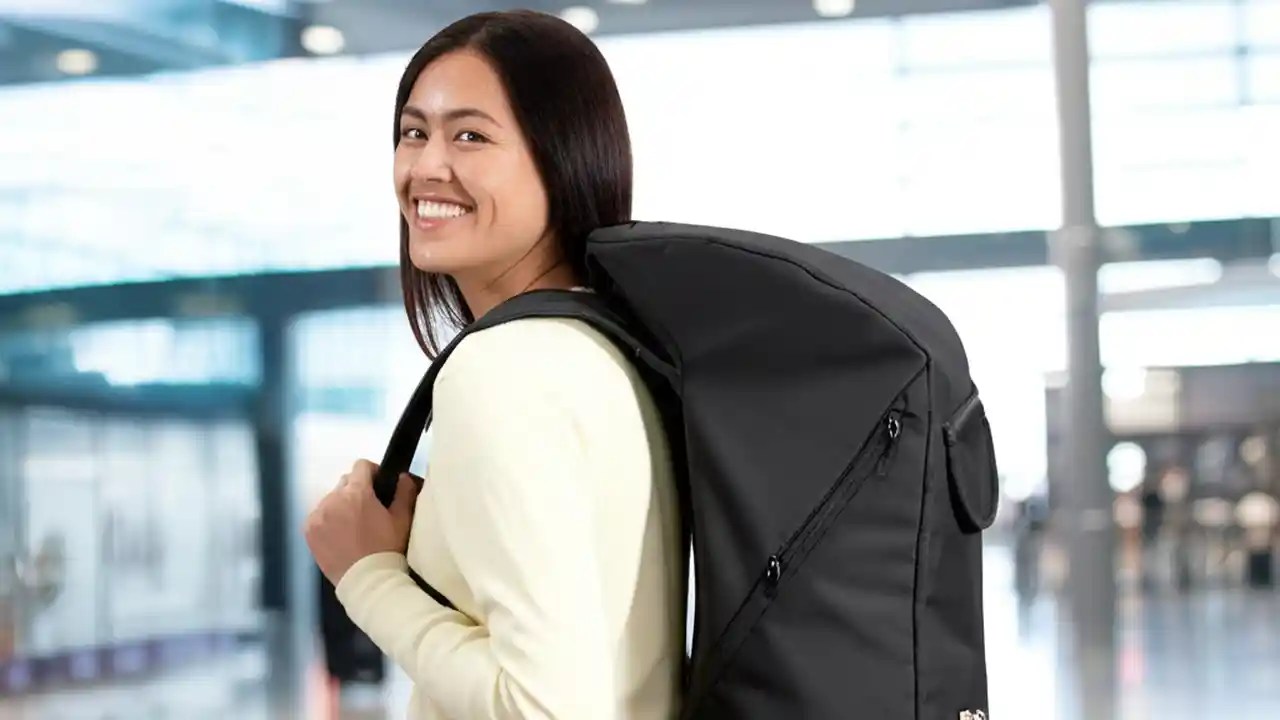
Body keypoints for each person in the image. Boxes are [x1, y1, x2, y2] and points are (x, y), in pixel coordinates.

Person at [303, 10, 686, 720]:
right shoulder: (615, 351)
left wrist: (367, 575)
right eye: (413, 132)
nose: (424, 167)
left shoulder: (505, 369)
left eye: (470, 136)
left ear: (563, 158)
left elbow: (543, 708)